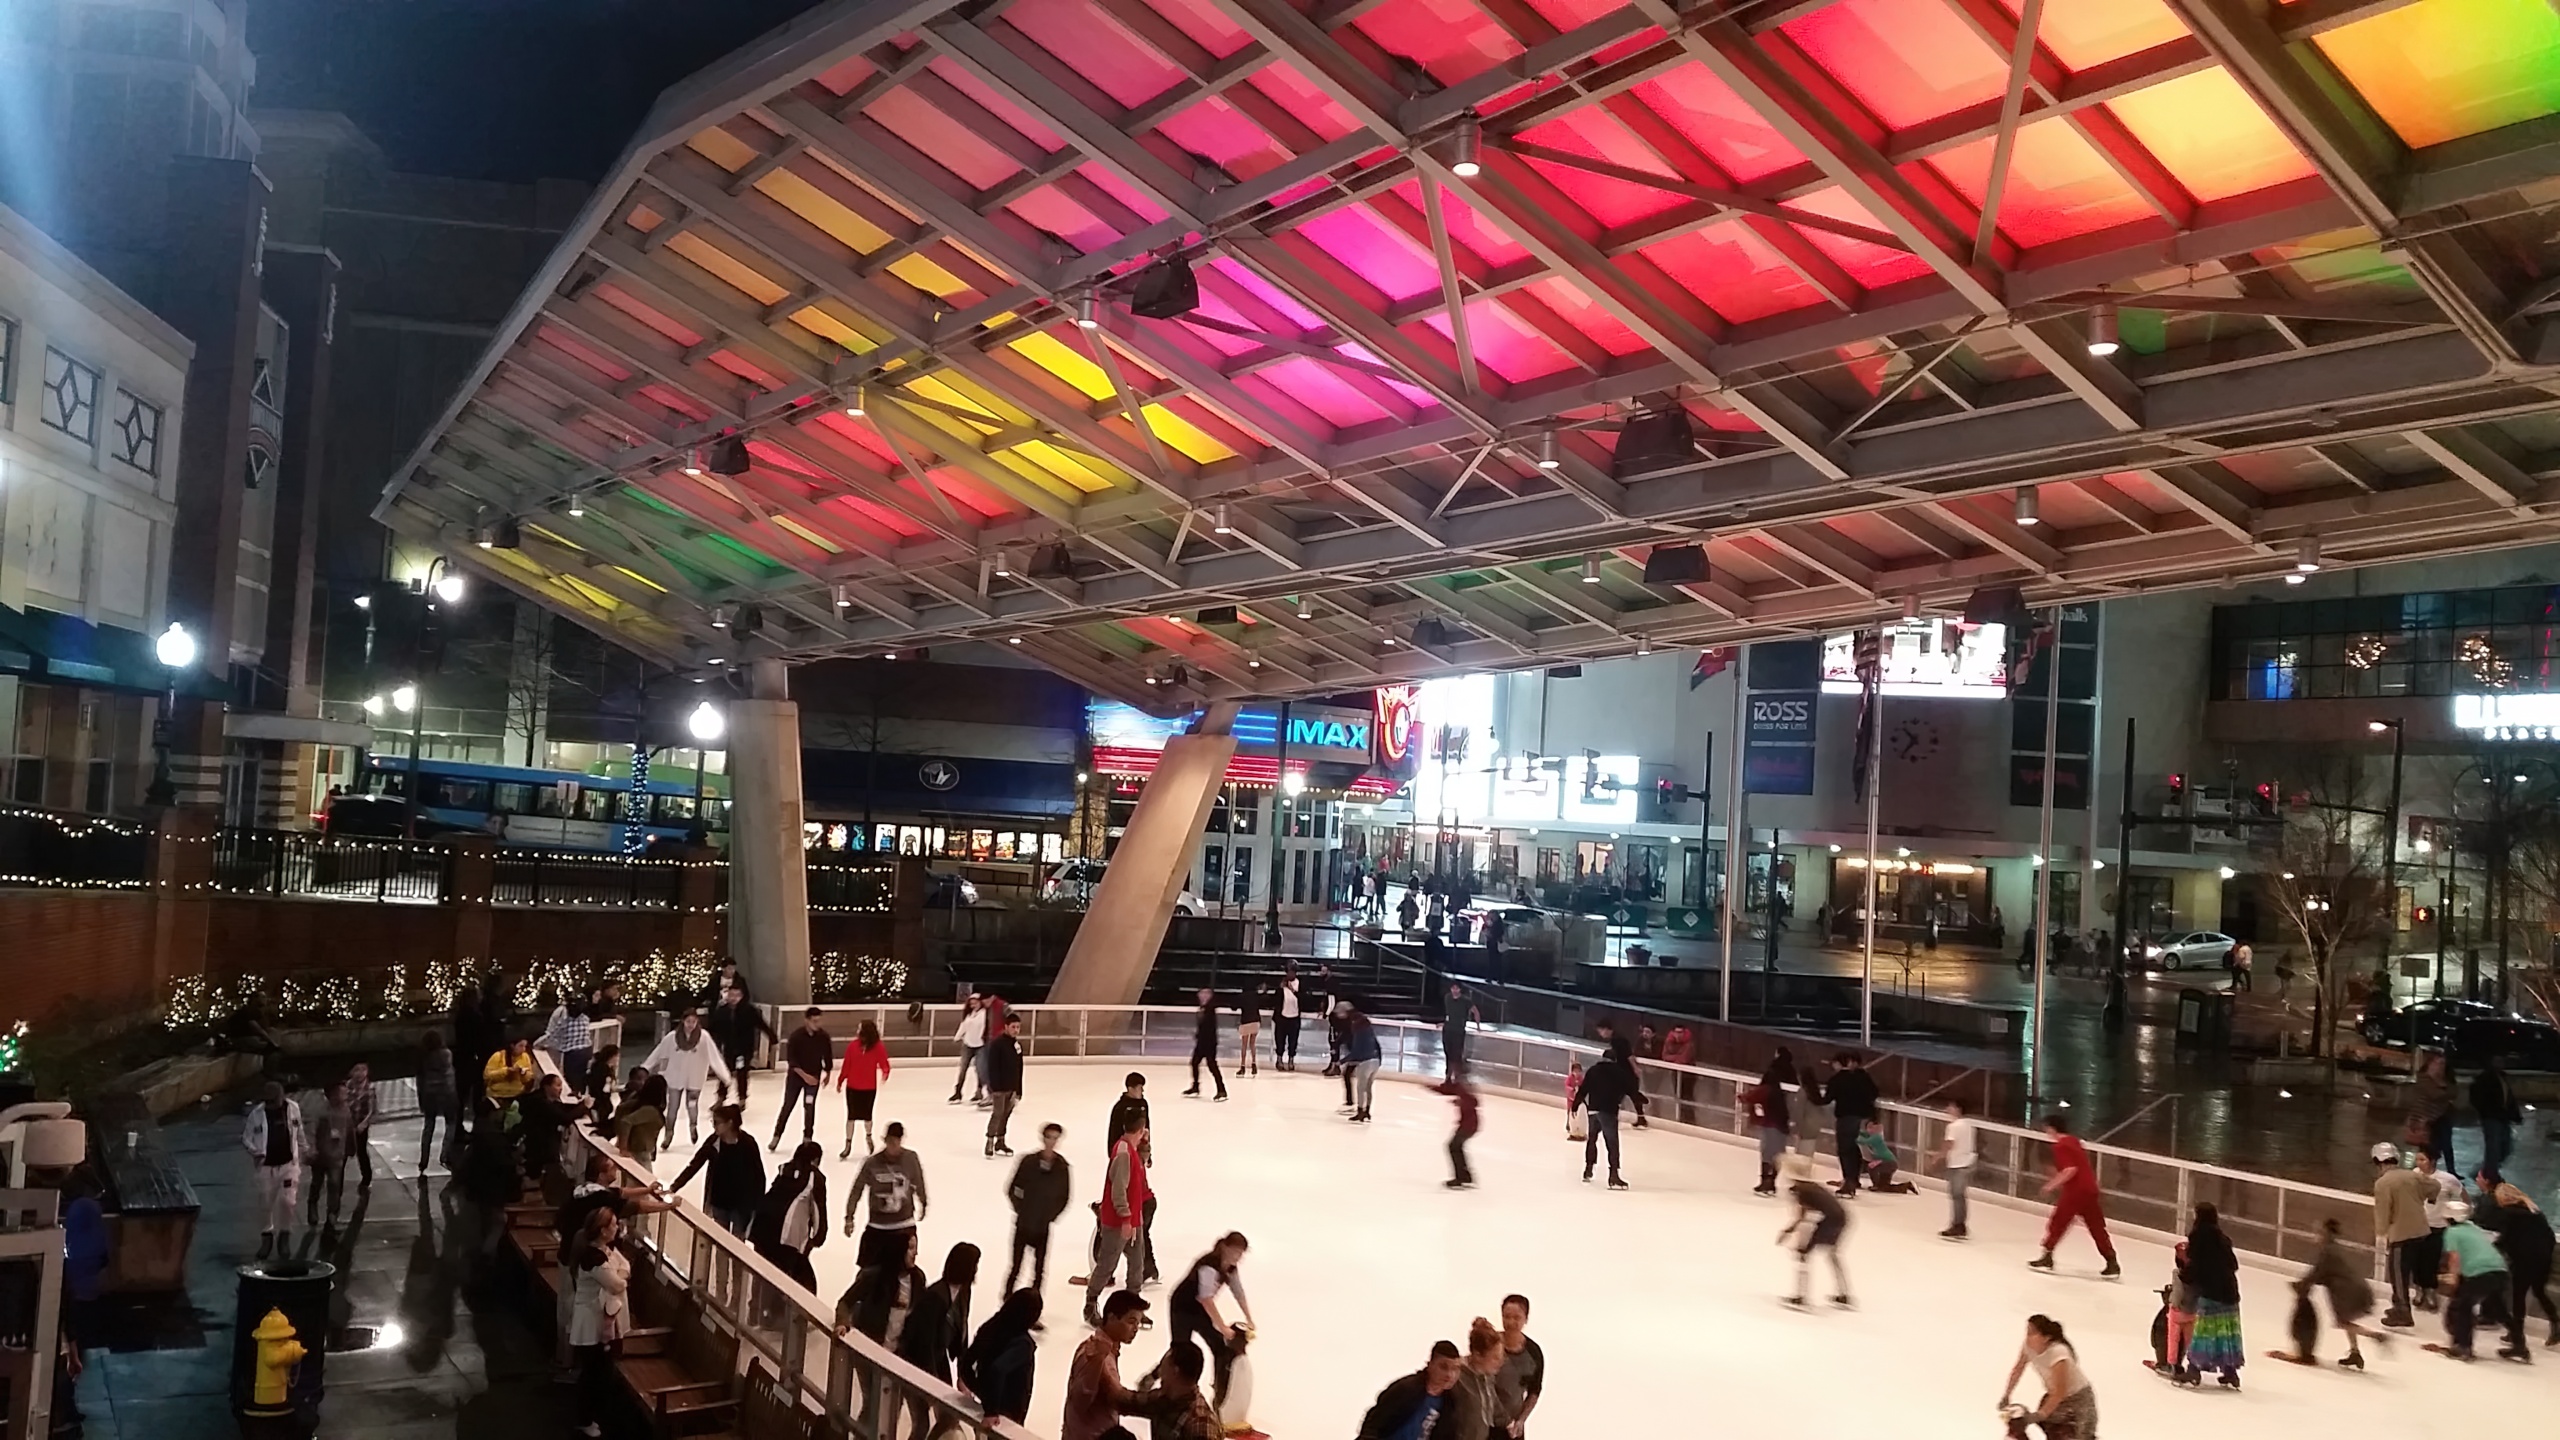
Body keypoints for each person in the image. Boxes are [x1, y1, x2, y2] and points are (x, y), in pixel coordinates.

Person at [897, 1243, 979, 1440]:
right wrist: (933, 1384)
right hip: (915, 1363)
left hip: (938, 1360)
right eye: (975, 1265)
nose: (977, 1270)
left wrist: (962, 1376)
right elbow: (923, 1345)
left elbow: (962, 1331)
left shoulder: (964, 1292)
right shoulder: (935, 1297)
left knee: (948, 1416)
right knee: (922, 1422)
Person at [565, 1206, 630, 1439]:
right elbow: (617, 1284)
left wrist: (620, 1274)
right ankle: (585, 1419)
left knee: (599, 1372)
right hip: (590, 1324)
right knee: (593, 1374)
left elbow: (626, 1267)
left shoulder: (604, 1251)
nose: (617, 1226)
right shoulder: (593, 1257)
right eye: (613, 1224)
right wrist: (620, 1276)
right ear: (603, 1230)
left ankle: (592, 1416)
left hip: (597, 1320)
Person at [2028, 1112, 2120, 1277]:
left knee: (2059, 1221)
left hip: (2076, 1190)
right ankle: (2111, 1260)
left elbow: (2070, 1169)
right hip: (2089, 1189)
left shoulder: (2061, 1146)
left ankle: (2047, 1256)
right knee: (2096, 1225)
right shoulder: (2074, 1141)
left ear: (2051, 1128)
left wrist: (2051, 1185)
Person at [1170, 1232, 1254, 1402]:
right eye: (1236, 1252)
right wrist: (1222, 1326)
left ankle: (1219, 1392)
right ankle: (1158, 1380)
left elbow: (1238, 1292)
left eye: (1241, 1254)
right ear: (1225, 1248)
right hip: (1182, 1307)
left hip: (1199, 1309)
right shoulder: (1208, 1266)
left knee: (1220, 1348)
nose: (1238, 1257)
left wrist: (1249, 1317)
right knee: (1180, 1351)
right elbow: (1206, 1298)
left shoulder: (1230, 1268)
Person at [1086, 1122, 1151, 1326]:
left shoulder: (1131, 1149)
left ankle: (1134, 1308)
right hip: (1118, 1222)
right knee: (1107, 1264)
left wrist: (1145, 1144)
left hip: (1133, 1220)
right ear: (1139, 1130)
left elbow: (1142, 1167)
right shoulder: (1123, 1153)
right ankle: (1090, 1303)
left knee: (1137, 1264)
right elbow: (1118, 1190)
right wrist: (1125, 1217)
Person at [669, 1102, 766, 1237]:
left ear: (729, 1123)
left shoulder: (748, 1144)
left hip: (742, 1203)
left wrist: (758, 1205)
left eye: (717, 1122)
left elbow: (758, 1176)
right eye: (713, 1122)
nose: (714, 1126)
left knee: (737, 1243)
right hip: (719, 1200)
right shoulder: (714, 1141)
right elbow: (695, 1164)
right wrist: (674, 1186)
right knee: (721, 1239)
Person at [1064, 1290, 1149, 1440]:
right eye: (1131, 1321)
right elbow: (1081, 1400)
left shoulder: (1104, 1350)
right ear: (1112, 1318)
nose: (1135, 1329)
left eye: (1138, 1323)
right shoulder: (1097, 1355)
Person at [2296, 1216, 2381, 1369]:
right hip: (2353, 1288)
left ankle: (2376, 1336)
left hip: (2346, 1291)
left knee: (2343, 1323)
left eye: (2319, 1232)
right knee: (2346, 1321)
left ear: (2326, 1233)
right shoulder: (2334, 1248)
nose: (2316, 1235)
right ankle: (2355, 1353)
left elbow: (2317, 1272)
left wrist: (2301, 1285)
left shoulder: (2328, 1251)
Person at [642, 1007, 734, 1145]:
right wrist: (644, 1068)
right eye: (688, 1021)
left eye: (694, 1021)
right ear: (683, 1021)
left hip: (695, 1077)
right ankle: (669, 1133)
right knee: (672, 1107)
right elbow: (658, 1053)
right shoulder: (672, 1038)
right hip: (675, 1078)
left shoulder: (704, 1037)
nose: (691, 1025)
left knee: (692, 1105)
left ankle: (693, 1127)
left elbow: (714, 1057)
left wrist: (725, 1076)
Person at [2438, 1198, 2514, 1360]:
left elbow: (2454, 1257)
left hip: (2479, 1273)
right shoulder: (2472, 1227)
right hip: (2499, 1269)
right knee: (2499, 1308)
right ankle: (2519, 1343)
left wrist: (2453, 1278)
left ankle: (2463, 1346)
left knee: (2463, 1306)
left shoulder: (2452, 1232)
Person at [847, 1120, 930, 1267]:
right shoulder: (871, 1163)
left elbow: (918, 1181)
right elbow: (857, 1189)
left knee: (903, 1271)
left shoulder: (911, 1159)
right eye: (889, 1141)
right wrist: (849, 1216)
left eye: (895, 1141)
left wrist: (923, 1202)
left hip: (904, 1225)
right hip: (878, 1226)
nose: (892, 1145)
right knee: (869, 1273)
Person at [1998, 1315, 2096, 1440]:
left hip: (2076, 1402)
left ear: (2046, 1338)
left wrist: (2039, 1415)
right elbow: (2018, 1370)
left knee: (2069, 1434)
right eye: (2027, 1332)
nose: (2027, 1338)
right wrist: (2007, 1395)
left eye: (2032, 1333)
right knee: (2051, 1429)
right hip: (2054, 1397)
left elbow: (2061, 1391)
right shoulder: (2028, 1348)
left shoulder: (2058, 1353)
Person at [751, 1140, 830, 1294]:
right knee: (794, 1283)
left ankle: (757, 1309)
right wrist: (818, 1237)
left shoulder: (784, 1171)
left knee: (763, 1277)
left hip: (761, 1230)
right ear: (815, 1160)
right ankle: (786, 1315)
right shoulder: (814, 1178)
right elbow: (819, 1211)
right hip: (788, 1238)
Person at [2179, 1203, 2244, 1387]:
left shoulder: (2198, 1236)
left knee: (2204, 1332)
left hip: (2211, 1292)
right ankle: (2231, 1372)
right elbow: (2233, 1265)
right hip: (2230, 1292)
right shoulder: (2223, 1239)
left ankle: (2193, 1370)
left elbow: (2195, 1265)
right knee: (2227, 1333)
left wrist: (2184, 1276)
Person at [1775, 1152, 1851, 1308]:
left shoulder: (1799, 1190)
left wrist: (1789, 1232)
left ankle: (1800, 1296)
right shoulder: (1812, 1187)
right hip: (1841, 1217)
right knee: (1832, 1253)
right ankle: (1844, 1294)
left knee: (1803, 1254)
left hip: (1828, 1219)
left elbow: (1802, 1216)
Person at [1571, 1036, 1647, 1189]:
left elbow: (1584, 1089)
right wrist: (1640, 1099)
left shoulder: (1593, 1070)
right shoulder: (1619, 1072)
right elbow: (1630, 1089)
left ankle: (1588, 1169)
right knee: (1612, 1143)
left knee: (1592, 1139)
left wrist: (1575, 1105)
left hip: (1593, 1110)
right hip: (1608, 1111)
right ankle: (1613, 1175)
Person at [1105, 1072, 1159, 1285]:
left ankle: (1146, 1265)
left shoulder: (1143, 1104)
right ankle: (1144, 1265)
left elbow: (1147, 1130)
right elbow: (1113, 1134)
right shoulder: (1120, 1109)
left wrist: (1148, 1152)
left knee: (1139, 1220)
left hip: (1138, 1157)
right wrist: (1115, 1156)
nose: (1142, 1092)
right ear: (1130, 1088)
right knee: (1135, 1224)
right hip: (1126, 1157)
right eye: (1139, 1088)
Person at [2487, 1181, 2556, 1350]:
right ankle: (2556, 1323)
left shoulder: (2510, 1214)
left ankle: (2516, 1332)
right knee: (2539, 1292)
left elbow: (2507, 1239)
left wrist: (2491, 1248)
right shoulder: (2535, 1211)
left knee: (2518, 1296)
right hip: (2543, 1259)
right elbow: (2550, 1237)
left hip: (2523, 1260)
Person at [1006, 1123, 1072, 1294]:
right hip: (1024, 1223)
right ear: (1042, 1137)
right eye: (1049, 1137)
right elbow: (1013, 1188)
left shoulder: (1061, 1167)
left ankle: (1034, 1305)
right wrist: (1022, 1210)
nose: (1051, 1141)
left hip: (1042, 1226)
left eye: (1055, 1138)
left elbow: (1064, 1196)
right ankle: (1006, 1301)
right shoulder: (1028, 1162)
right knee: (1015, 1267)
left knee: (1039, 1270)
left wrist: (1049, 1216)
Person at [2372, 1141, 2432, 1327]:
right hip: (2422, 1231)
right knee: (2409, 1272)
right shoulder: (2412, 1176)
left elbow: (2382, 1213)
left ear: (2378, 1161)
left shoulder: (2383, 1183)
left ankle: (2402, 1311)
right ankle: (2402, 1305)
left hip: (2401, 1235)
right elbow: (2434, 1188)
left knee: (2398, 1274)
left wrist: (2381, 1235)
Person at [242, 1081, 306, 1258]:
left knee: (288, 1202)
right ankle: (267, 1236)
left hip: (288, 1165)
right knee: (265, 1204)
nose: (270, 1104)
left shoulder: (293, 1109)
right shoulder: (256, 1115)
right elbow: (246, 1139)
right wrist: (256, 1152)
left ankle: (284, 1236)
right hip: (266, 1167)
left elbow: (298, 1130)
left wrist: (304, 1148)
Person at [961, 1288, 1043, 1425]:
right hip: (1006, 1415)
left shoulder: (991, 1326)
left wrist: (980, 1391)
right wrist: (991, 1411)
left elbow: (966, 1362)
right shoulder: (1022, 1344)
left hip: (989, 1404)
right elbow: (997, 1369)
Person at [1355, 1339, 1464, 1440]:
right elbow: (1373, 1424)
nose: (1450, 1375)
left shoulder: (1450, 1404)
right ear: (1430, 1365)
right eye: (1443, 1367)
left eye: (1455, 1369)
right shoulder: (1406, 1389)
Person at [771, 1007, 834, 1150]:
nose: (817, 1024)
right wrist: (805, 1077)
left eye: (819, 1021)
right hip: (796, 1078)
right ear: (807, 1021)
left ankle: (807, 1137)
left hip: (814, 1078)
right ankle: (777, 1134)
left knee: (809, 1107)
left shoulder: (823, 1037)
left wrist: (827, 1073)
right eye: (814, 1021)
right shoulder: (796, 1037)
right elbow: (792, 1061)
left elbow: (827, 1056)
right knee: (788, 1106)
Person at [706, 982, 776, 1103]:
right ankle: (721, 1097)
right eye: (731, 995)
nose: (733, 998)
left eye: (736, 995)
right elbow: (714, 1029)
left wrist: (773, 1038)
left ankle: (742, 1098)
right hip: (729, 1047)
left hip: (744, 1049)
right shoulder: (722, 1011)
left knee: (742, 1073)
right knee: (724, 1072)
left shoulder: (749, 1010)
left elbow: (762, 1025)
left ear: (742, 996)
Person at [833, 1018, 891, 1159]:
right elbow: (847, 1064)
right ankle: (848, 1144)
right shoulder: (853, 1046)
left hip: (869, 1088)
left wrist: (885, 1072)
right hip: (853, 1087)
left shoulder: (877, 1047)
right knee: (851, 1116)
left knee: (867, 1116)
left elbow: (884, 1062)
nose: (857, 1031)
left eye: (860, 1029)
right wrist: (841, 1080)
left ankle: (869, 1137)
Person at [2414, 1148, 2462, 1314]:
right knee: (2417, 1259)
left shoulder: (2448, 1180)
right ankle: (2419, 1288)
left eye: (2422, 1159)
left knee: (2432, 1259)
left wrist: (2456, 1215)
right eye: (2417, 1159)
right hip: (2418, 1224)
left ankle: (2431, 1290)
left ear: (2432, 1161)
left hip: (2438, 1225)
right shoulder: (2414, 1176)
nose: (2418, 1163)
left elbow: (2462, 1195)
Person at [1824, 1051, 1879, 1196]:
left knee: (1845, 1150)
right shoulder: (1863, 1077)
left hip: (1847, 1118)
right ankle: (1853, 1180)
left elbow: (1826, 1099)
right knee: (1855, 1150)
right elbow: (1874, 1093)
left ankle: (1849, 1182)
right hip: (1864, 1118)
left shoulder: (1838, 1079)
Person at [1492, 1294, 1544, 1439]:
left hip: (1513, 1429)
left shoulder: (1534, 1353)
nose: (1510, 1322)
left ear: (1525, 1319)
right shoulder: (1490, 1344)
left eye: (1516, 1318)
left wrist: (1521, 1420)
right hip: (1485, 1425)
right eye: (1506, 1317)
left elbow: (1534, 1390)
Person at [305, 1079, 353, 1230]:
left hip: (337, 1156)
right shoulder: (321, 1111)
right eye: (341, 1092)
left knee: (334, 1184)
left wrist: (352, 1148)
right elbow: (312, 1130)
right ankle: (312, 1205)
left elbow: (349, 1130)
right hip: (321, 1155)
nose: (345, 1094)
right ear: (332, 1095)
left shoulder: (346, 1110)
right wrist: (311, 1149)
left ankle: (332, 1215)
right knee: (317, 1183)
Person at [1931, 1097, 1978, 1239]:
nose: (1947, 1109)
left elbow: (1949, 1143)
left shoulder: (1954, 1126)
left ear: (1957, 1109)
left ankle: (1958, 1225)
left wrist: (1938, 1156)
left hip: (1958, 1163)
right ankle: (1960, 1224)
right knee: (1959, 1195)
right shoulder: (1969, 1124)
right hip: (1968, 1161)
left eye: (1950, 1106)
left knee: (1956, 1195)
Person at [1747, 1056, 1792, 1195]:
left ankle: (1766, 1183)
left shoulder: (1765, 1089)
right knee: (1777, 1155)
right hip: (1781, 1128)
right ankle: (1772, 1183)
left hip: (1770, 1126)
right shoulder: (1779, 1092)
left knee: (1767, 1154)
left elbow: (1749, 1097)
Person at [415, 1031, 459, 1171]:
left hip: (429, 1095)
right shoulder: (447, 1054)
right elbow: (451, 1074)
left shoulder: (422, 1057)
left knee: (428, 1126)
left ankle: (424, 1160)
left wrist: (421, 1099)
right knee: (451, 1124)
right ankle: (445, 1155)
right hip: (448, 1093)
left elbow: (420, 1080)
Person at [539, 986, 596, 1091]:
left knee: (572, 1081)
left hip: (573, 1053)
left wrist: (538, 1043)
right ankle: (580, 1097)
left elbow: (553, 1032)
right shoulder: (584, 1015)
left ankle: (575, 1099)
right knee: (580, 1079)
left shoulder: (563, 1015)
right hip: (586, 1049)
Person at [2472, 1055, 2521, 1177]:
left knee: (2505, 1148)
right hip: (2492, 1118)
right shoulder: (2485, 1079)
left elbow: (2509, 1098)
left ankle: (2487, 1170)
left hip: (2503, 1117)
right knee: (2493, 1147)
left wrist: (2515, 1115)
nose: (2501, 1063)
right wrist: (2486, 1112)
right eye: (2497, 1061)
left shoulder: (2502, 1078)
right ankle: (2490, 1174)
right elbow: (2477, 1097)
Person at [986, 1014, 1026, 1156]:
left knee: (1006, 1115)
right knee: (997, 1114)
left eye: (1018, 1027)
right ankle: (990, 1140)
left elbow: (1019, 1068)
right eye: (1013, 1027)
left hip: (1012, 1088)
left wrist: (1019, 1089)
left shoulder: (1016, 1046)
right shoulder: (997, 1045)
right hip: (999, 1088)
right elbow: (992, 1067)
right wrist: (994, 1087)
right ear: (1006, 1027)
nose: (1016, 1030)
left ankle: (1000, 1141)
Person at [2409, 1050, 2456, 1174]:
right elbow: (2435, 1095)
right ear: (2430, 1063)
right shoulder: (2424, 1078)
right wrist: (2446, 1093)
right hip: (2426, 1118)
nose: (2441, 1067)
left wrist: (2445, 1092)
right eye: (2438, 1063)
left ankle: (2450, 1170)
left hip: (2443, 1115)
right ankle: (2423, 1170)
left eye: (2443, 1064)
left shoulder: (2445, 1078)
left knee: (2445, 1145)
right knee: (2427, 1146)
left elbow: (2454, 1092)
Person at [1183, 988, 1228, 1102]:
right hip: (1202, 1042)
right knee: (1194, 1062)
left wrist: (1202, 1037)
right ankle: (1196, 1086)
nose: (1200, 996)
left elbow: (1210, 1027)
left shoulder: (1210, 1009)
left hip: (1209, 1042)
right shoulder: (1203, 1008)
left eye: (1204, 994)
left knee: (1212, 1066)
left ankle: (1221, 1090)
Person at [1342, 1002, 1384, 1123]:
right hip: (1375, 1061)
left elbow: (1357, 1052)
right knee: (1369, 1088)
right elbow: (1378, 1046)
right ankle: (1367, 1111)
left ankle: (1360, 1111)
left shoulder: (1359, 1034)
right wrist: (1379, 1061)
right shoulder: (1370, 1032)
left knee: (1361, 1088)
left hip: (1365, 1063)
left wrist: (1343, 1061)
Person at [1437, 1074, 1480, 1190]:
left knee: (1453, 1146)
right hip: (1470, 1126)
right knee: (1456, 1147)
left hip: (1468, 1127)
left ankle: (1461, 1178)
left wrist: (1459, 1102)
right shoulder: (1465, 1093)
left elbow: (1470, 1102)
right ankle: (1465, 1176)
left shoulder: (1466, 1094)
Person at [1854, 1119, 1917, 1194]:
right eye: (1869, 1128)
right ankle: (1906, 1186)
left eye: (1873, 1127)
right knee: (1884, 1187)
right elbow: (1863, 1134)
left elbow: (1862, 1141)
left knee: (1871, 1166)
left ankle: (1876, 1184)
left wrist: (1852, 1136)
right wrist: (1855, 1131)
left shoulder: (1876, 1137)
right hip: (1887, 1162)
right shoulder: (1870, 1136)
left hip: (1888, 1162)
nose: (1870, 1130)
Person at [483, 1036, 537, 1120]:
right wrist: (506, 1071)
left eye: (525, 1046)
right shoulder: (498, 1056)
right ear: (512, 1045)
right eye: (521, 1046)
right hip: (497, 1095)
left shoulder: (525, 1057)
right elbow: (487, 1075)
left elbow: (528, 1078)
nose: (523, 1049)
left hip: (516, 1095)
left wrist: (523, 1074)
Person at [952, 992, 992, 1105]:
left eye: (975, 1003)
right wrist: (957, 1036)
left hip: (981, 1045)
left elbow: (987, 1027)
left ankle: (979, 1092)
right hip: (967, 1044)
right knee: (962, 1069)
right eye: (971, 1004)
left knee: (980, 1070)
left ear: (980, 1003)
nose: (973, 1005)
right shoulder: (969, 1014)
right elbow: (964, 1026)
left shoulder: (985, 1014)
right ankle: (958, 1092)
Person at [1274, 967, 1302, 1072]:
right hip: (1282, 1017)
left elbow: (1303, 998)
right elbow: (1276, 1000)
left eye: (1292, 972)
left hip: (1294, 1017)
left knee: (1293, 1041)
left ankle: (1291, 1060)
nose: (1290, 974)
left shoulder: (1300, 984)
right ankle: (1279, 1059)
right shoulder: (1281, 984)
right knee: (1280, 1040)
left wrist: (1292, 989)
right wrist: (1280, 988)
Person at [1235, 985, 1261, 1078]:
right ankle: (1254, 1064)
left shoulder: (1242, 996)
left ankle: (1242, 1066)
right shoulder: (1256, 996)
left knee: (1244, 1045)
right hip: (1255, 1020)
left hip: (1246, 1021)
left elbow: (1234, 1006)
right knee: (1252, 1044)